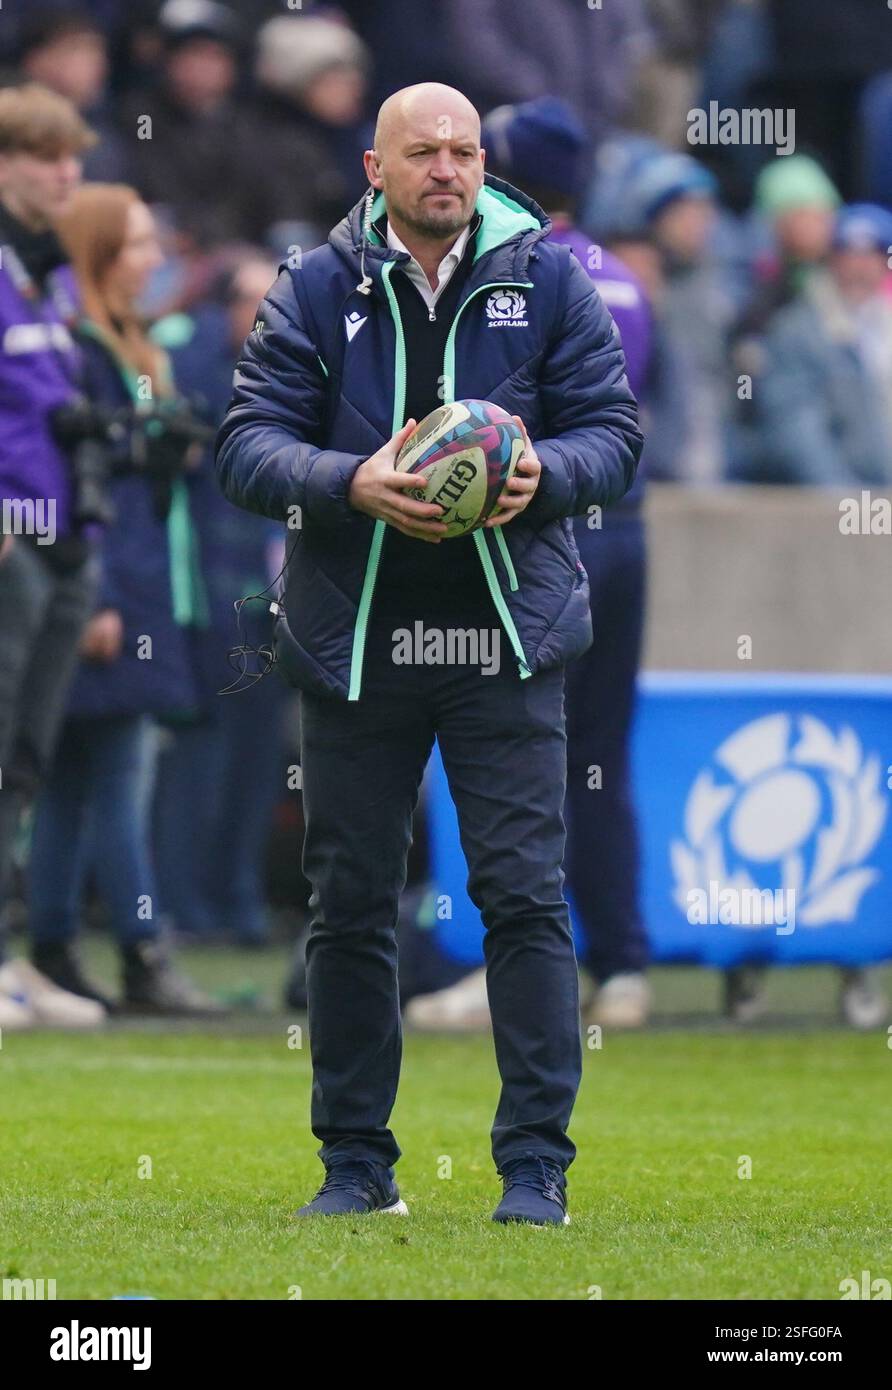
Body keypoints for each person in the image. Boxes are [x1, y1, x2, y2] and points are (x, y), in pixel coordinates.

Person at [216, 82, 642, 1224]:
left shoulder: (548, 274)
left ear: (481, 163)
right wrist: (346, 482)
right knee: (349, 901)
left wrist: (541, 473)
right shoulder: (314, 284)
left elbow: (615, 434)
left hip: (505, 636)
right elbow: (245, 444)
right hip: (357, 637)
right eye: (422, 152)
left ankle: (535, 1169)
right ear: (375, 169)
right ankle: (357, 1166)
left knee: (522, 896)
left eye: (462, 150)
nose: (446, 167)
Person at [406, 97, 654, 1032]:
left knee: (512, 754)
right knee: (599, 757)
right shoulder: (624, 274)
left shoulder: (536, 275)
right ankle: (623, 962)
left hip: (544, 523)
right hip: (627, 523)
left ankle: (488, 959)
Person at [26, 183, 222, 1017]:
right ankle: (142, 953)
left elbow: (145, 467)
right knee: (118, 777)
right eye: (138, 243)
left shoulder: (130, 343)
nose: (154, 258)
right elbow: (85, 479)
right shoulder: (84, 347)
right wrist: (96, 594)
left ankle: (55, 950)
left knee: (74, 777)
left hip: (144, 580)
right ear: (103, 253)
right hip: (114, 586)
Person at [0, 83, 105, 1030]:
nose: (65, 173)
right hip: (11, 534)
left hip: (65, 537)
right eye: (44, 156)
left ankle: (5, 955)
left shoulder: (50, 270)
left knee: (24, 756)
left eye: (71, 156)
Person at [151, 252, 288, 947]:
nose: (265, 316)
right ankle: (183, 900)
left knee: (257, 762)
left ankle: (239, 900)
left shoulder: (293, 371)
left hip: (271, 605)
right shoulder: (194, 364)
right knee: (198, 755)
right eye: (253, 301)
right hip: (206, 602)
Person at [748, 203, 892, 487]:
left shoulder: (884, 321)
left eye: (872, 255)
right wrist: (849, 505)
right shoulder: (796, 330)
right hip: (845, 502)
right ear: (832, 259)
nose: (860, 267)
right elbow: (797, 430)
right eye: (849, 254)